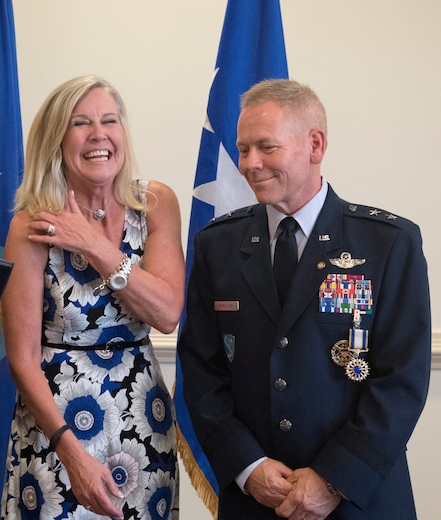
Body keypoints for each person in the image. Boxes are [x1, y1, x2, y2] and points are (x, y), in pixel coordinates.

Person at [177, 78, 431, 519]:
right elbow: (201, 370)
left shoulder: (388, 243)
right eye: (242, 149)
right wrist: (247, 465)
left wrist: (334, 477)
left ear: (315, 144)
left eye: (266, 147)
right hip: (257, 500)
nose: (249, 164)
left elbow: (401, 379)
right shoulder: (218, 245)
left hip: (358, 499)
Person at [0, 75, 186, 520]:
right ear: (56, 139)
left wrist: (94, 245)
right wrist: (69, 450)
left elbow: (166, 313)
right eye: (81, 123)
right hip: (56, 429)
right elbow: (21, 358)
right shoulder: (32, 224)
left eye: (109, 121)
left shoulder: (156, 204)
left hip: (144, 419)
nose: (99, 134)